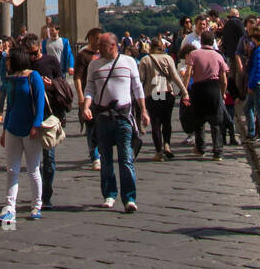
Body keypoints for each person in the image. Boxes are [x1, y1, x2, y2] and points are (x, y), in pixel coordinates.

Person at [82, 32, 149, 212]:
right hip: (102, 117)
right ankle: (109, 194)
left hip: (123, 116)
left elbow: (137, 88)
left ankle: (129, 198)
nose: (98, 48)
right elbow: (89, 88)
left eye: (102, 45)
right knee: (106, 160)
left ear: (113, 45)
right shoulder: (94, 65)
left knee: (126, 158)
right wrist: (86, 106)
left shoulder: (129, 62)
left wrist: (143, 111)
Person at [0, 46, 45, 223]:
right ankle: (10, 208)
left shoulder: (34, 77)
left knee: (33, 170)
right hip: (12, 129)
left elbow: (40, 104)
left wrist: (36, 125)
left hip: (30, 130)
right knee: (11, 169)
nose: (6, 62)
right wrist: (4, 131)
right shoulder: (12, 79)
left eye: (9, 59)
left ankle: (37, 205)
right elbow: (10, 106)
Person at [21, 32, 64, 208]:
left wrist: (51, 84)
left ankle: (46, 195)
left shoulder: (51, 61)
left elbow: (62, 83)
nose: (32, 56)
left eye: (34, 52)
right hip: (28, 115)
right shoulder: (23, 64)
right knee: (33, 160)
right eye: (28, 53)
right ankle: (37, 195)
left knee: (49, 158)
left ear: (40, 47)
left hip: (47, 114)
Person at [138, 37, 189, 160]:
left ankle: (158, 152)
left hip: (153, 93)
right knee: (167, 122)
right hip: (166, 92)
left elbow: (140, 80)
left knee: (155, 123)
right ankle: (167, 144)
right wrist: (184, 92)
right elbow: (175, 77)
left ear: (151, 47)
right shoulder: (168, 58)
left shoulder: (145, 59)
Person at [182, 32, 228, 159]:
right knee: (216, 122)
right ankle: (217, 151)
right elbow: (224, 79)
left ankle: (200, 148)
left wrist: (184, 91)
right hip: (213, 88)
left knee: (199, 121)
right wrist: (223, 93)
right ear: (212, 41)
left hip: (198, 89)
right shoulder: (218, 56)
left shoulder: (194, 54)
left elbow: (188, 74)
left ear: (201, 41)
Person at [73, 27, 103, 170]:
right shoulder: (83, 55)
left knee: (102, 127)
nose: (99, 41)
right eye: (96, 38)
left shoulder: (105, 53)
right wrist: (80, 95)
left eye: (100, 38)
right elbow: (77, 77)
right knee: (91, 127)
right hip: (88, 96)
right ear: (90, 38)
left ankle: (100, 152)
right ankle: (95, 156)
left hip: (103, 97)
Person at [0, 38, 10, 123]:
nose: (4, 45)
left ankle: (9, 113)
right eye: (4, 44)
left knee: (9, 98)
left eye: (6, 44)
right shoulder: (0, 53)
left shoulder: (9, 53)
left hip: (9, 78)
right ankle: (0, 114)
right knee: (1, 97)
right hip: (2, 78)